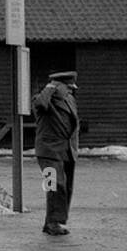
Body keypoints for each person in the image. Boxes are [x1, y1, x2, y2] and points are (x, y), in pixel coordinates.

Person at [33, 70, 79, 235]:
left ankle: (52, 222)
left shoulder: (69, 100)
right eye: (67, 87)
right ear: (56, 86)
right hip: (48, 151)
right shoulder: (43, 99)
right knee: (53, 185)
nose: (71, 90)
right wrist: (49, 88)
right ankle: (53, 222)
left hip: (66, 151)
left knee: (65, 187)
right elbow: (40, 104)